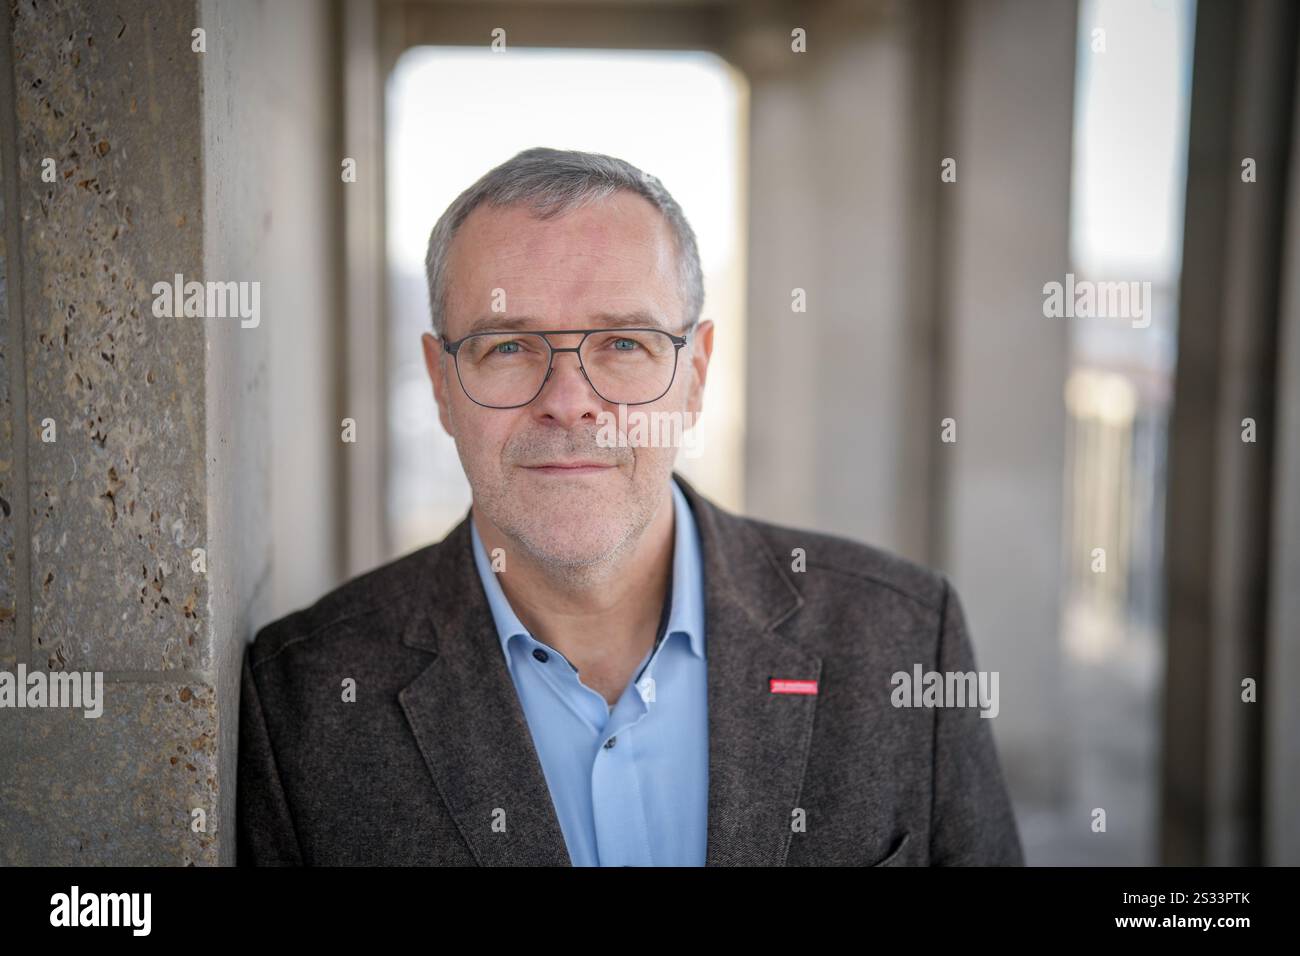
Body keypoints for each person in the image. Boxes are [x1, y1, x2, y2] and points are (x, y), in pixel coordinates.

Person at [238, 147, 1024, 866]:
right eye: (508, 347)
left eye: (624, 344)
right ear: (442, 384)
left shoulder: (906, 639)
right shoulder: (301, 704)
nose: (570, 404)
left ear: (697, 372)